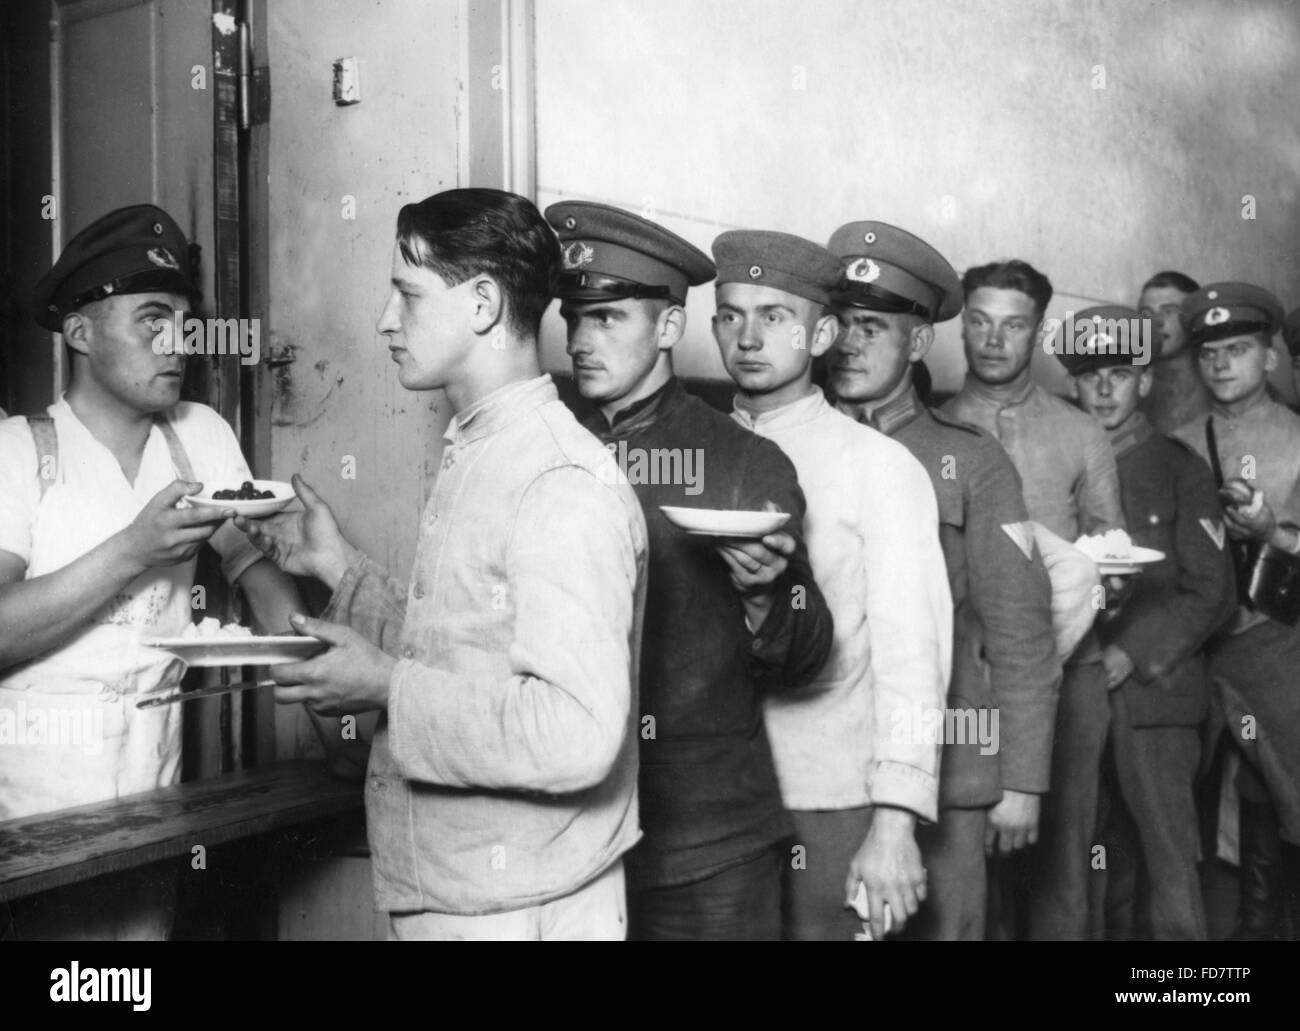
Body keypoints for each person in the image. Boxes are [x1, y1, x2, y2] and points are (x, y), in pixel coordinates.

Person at [242, 188, 648, 941]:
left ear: (485, 303)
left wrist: (383, 684)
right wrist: (340, 567)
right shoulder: (486, 448)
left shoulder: (557, 481)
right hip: (470, 894)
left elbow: (577, 732)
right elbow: (473, 649)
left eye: (407, 294)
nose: (384, 322)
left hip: (522, 906)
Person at [0, 204, 304, 939]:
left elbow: (259, 575)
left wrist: (330, 714)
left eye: (184, 319)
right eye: (151, 319)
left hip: (156, 784)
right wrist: (134, 550)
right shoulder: (19, 453)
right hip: (34, 799)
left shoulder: (199, 435)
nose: (179, 342)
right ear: (80, 332)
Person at [545, 201, 834, 940]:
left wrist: (767, 587)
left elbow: (806, 653)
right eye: (574, 318)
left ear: (669, 327)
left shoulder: (742, 458)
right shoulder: (547, 447)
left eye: (608, 319)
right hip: (570, 838)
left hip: (709, 842)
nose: (581, 340)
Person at [711, 228, 951, 940]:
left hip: (831, 800)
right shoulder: (690, 451)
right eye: (729, 315)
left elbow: (914, 660)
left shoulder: (879, 467)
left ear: (823, 335)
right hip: (712, 804)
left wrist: (895, 822)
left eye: (774, 316)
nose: (747, 337)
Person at [824, 221, 1061, 940]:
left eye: (872, 327)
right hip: (824, 766)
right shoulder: (799, 446)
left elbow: (1020, 629)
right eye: (839, 325)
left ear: (918, 343)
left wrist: (1021, 779)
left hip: (951, 769)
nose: (850, 344)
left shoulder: (971, 461)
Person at [942, 259, 1124, 940]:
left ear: (1038, 331)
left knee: (1061, 867)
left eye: (1013, 325)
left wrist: (1113, 570)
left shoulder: (1081, 430)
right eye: (980, 322)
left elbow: (1112, 538)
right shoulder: (936, 427)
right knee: (965, 863)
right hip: (963, 677)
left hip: (1071, 673)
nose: (993, 339)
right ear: (962, 325)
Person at [1061, 305, 1235, 940]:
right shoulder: (1059, 460)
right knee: (1080, 861)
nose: (1104, 388)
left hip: (1153, 697)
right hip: (1072, 690)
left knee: (1167, 861)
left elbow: (1210, 591)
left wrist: (1130, 653)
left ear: (1145, 381)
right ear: (1071, 382)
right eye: (1088, 375)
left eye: (1119, 372)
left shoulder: (1178, 467)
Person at [1170, 282, 1300, 940]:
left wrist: (1274, 531)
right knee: (1174, 806)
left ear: (1270, 358)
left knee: (1287, 796)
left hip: (1272, 644)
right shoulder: (1178, 441)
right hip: (1193, 647)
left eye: (1239, 349)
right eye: (1210, 352)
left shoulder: (1297, 439)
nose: (1221, 363)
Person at [1137, 271, 1209, 434]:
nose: (1156, 321)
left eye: (1169, 311)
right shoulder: (1128, 386)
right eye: (1146, 314)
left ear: (1196, 318)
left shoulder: (1224, 382)